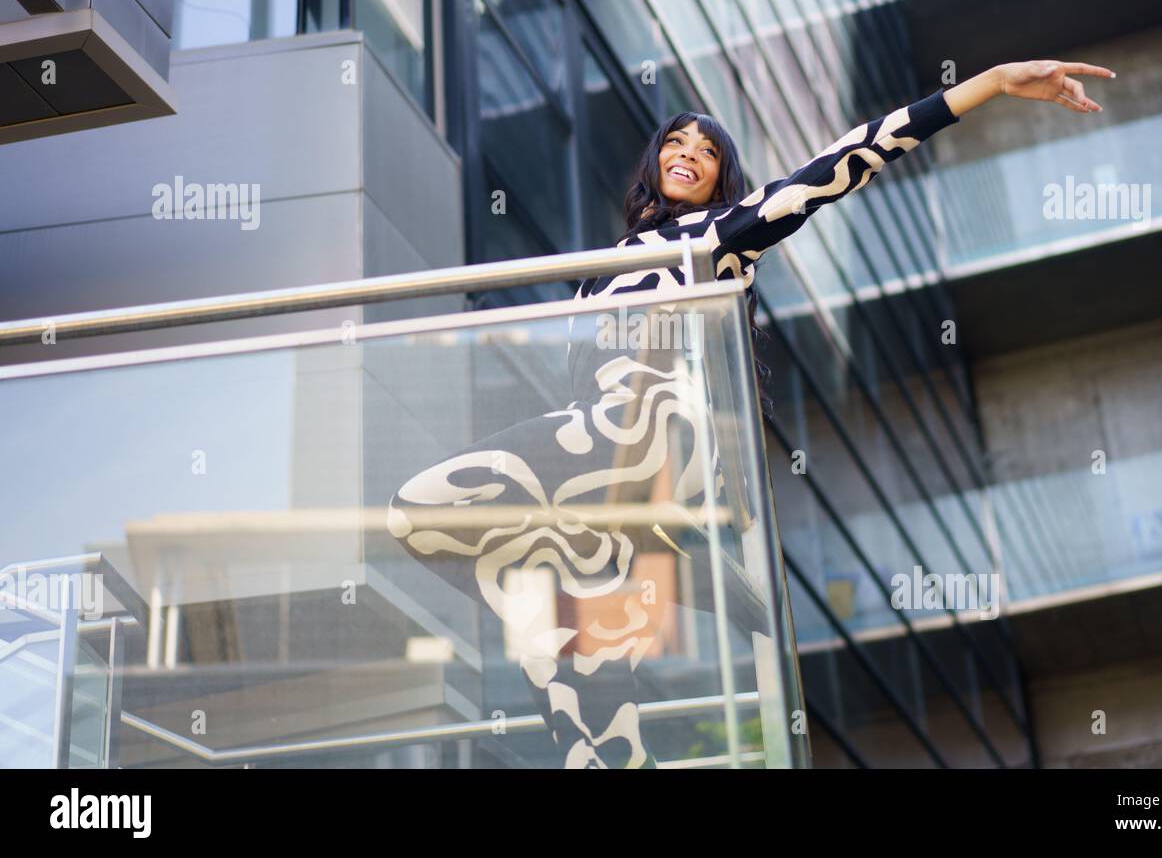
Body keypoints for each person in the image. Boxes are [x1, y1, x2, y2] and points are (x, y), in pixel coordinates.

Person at [386, 60, 1115, 768]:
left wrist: (987, 85)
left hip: (647, 439)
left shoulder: (718, 237)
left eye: (707, 152)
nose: (688, 154)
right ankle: (613, 599)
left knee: (418, 510)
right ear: (653, 160)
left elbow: (840, 164)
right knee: (578, 704)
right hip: (606, 492)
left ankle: (674, 554)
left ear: (722, 183)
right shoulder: (612, 262)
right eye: (676, 142)